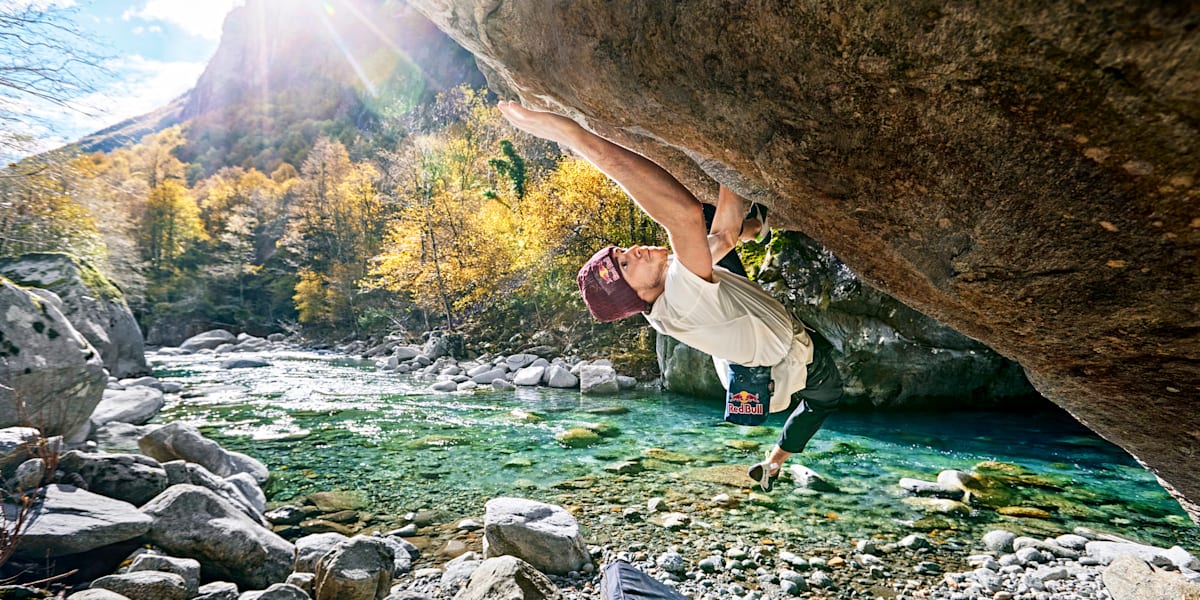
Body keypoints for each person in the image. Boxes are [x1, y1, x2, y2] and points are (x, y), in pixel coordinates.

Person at [498, 101, 843, 491]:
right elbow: (684, 215)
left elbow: (721, 236)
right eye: (626, 264)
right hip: (787, 359)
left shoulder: (666, 283)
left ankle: (755, 229)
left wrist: (732, 162)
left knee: (712, 238)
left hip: (735, 330)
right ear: (638, 292)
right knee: (825, 399)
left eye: (622, 252)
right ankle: (774, 462)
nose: (633, 250)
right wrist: (574, 136)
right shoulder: (680, 298)